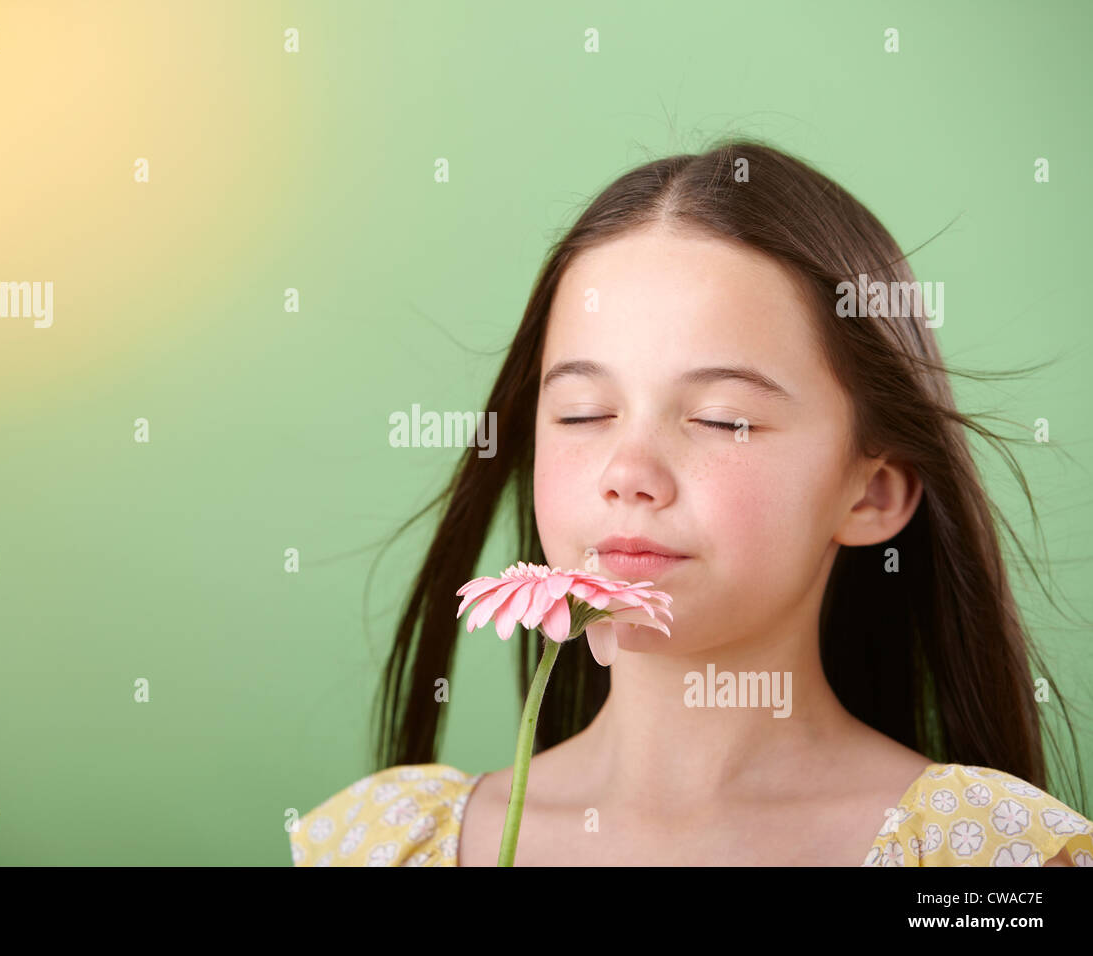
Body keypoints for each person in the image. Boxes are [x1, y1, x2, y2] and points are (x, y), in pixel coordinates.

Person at [289, 139, 1090, 867]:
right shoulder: (386, 843)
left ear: (873, 494)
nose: (628, 471)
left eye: (721, 419)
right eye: (583, 415)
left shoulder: (987, 861)